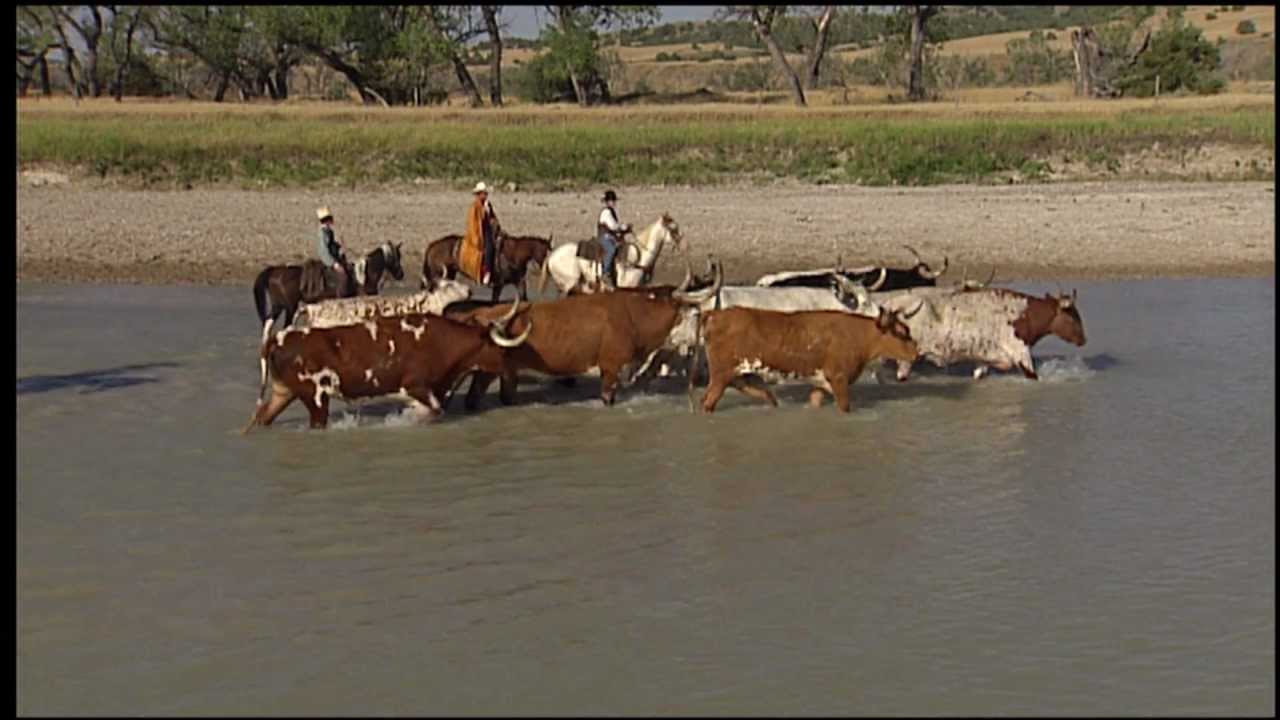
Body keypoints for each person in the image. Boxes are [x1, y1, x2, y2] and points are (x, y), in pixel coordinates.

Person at [462, 182, 501, 286]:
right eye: (483, 193)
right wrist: (477, 238)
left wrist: (495, 223)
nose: (485, 195)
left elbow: (493, 218)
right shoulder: (475, 207)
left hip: (489, 229)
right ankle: (487, 272)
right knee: (490, 247)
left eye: (486, 193)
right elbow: (472, 223)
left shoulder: (487, 205)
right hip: (479, 232)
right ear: (479, 194)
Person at [597, 189, 630, 289]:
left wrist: (623, 227)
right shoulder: (606, 212)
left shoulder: (611, 212)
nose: (614, 202)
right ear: (608, 202)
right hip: (605, 237)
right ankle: (605, 273)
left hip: (610, 236)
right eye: (612, 201)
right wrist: (623, 227)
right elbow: (613, 226)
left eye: (614, 200)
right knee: (611, 249)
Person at [315, 207, 349, 293]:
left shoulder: (328, 231)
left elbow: (331, 245)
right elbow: (324, 250)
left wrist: (339, 246)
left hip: (333, 257)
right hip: (328, 260)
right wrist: (334, 264)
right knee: (343, 276)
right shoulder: (323, 233)